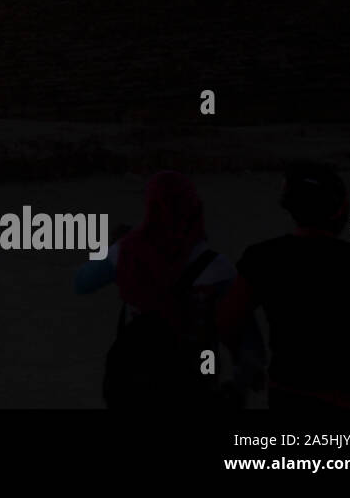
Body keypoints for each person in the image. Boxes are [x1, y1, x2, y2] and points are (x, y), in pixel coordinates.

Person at [217, 163, 350, 409]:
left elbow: (227, 322)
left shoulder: (262, 258)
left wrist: (248, 361)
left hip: (288, 394)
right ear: (339, 210)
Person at [76, 170, 263, 407]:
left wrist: (118, 248)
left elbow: (81, 283)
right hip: (197, 378)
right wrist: (242, 382)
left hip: (135, 378)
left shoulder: (126, 252)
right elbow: (243, 333)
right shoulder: (217, 266)